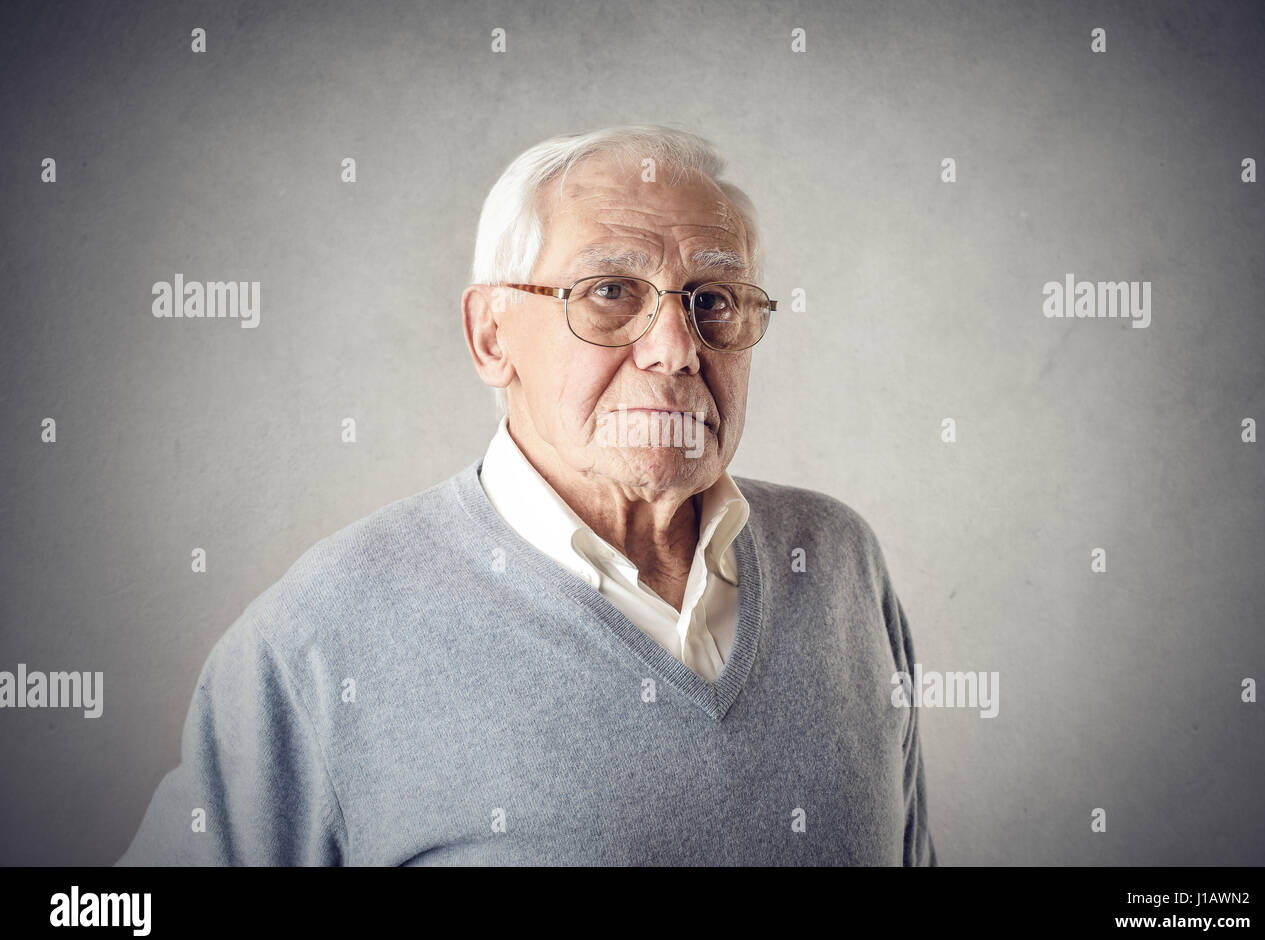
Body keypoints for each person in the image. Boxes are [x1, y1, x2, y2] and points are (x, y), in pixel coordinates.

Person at [117, 125, 937, 866]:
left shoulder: (836, 563)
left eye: (712, 301)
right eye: (611, 291)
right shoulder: (324, 633)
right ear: (491, 335)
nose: (676, 349)